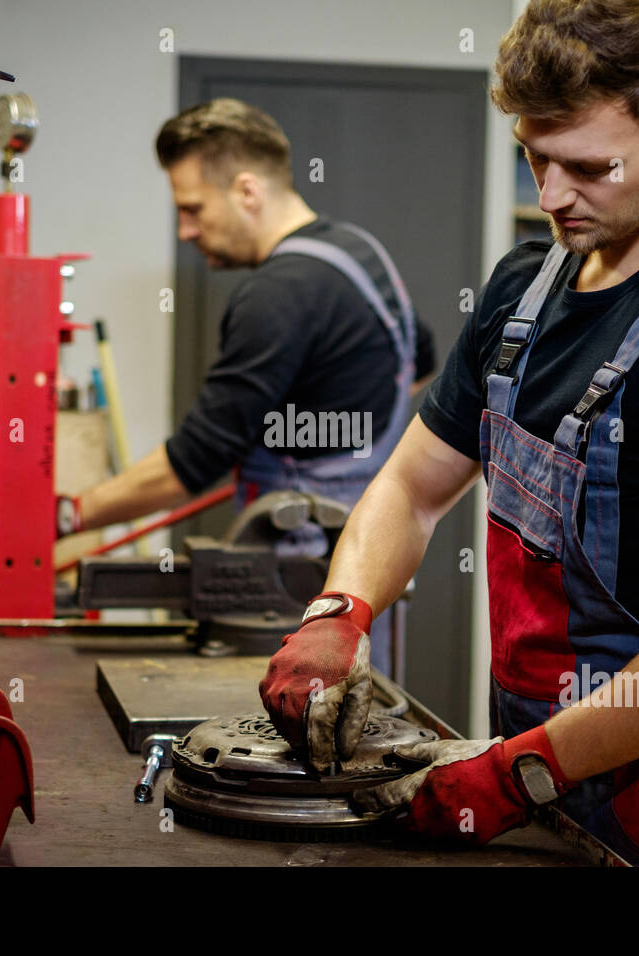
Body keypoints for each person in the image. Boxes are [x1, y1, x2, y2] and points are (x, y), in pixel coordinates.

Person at [259, 0, 639, 866]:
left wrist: (524, 773)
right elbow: (414, 486)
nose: (553, 196)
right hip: (521, 757)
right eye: (535, 158)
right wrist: (340, 611)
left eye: (590, 167)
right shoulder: (524, 288)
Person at [60, 99, 434, 673]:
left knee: (295, 737)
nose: (186, 231)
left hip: (297, 589)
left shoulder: (276, 293)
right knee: (356, 731)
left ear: (247, 191)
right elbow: (421, 361)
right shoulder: (358, 252)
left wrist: (64, 517)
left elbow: (192, 461)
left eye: (192, 209)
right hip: (365, 573)